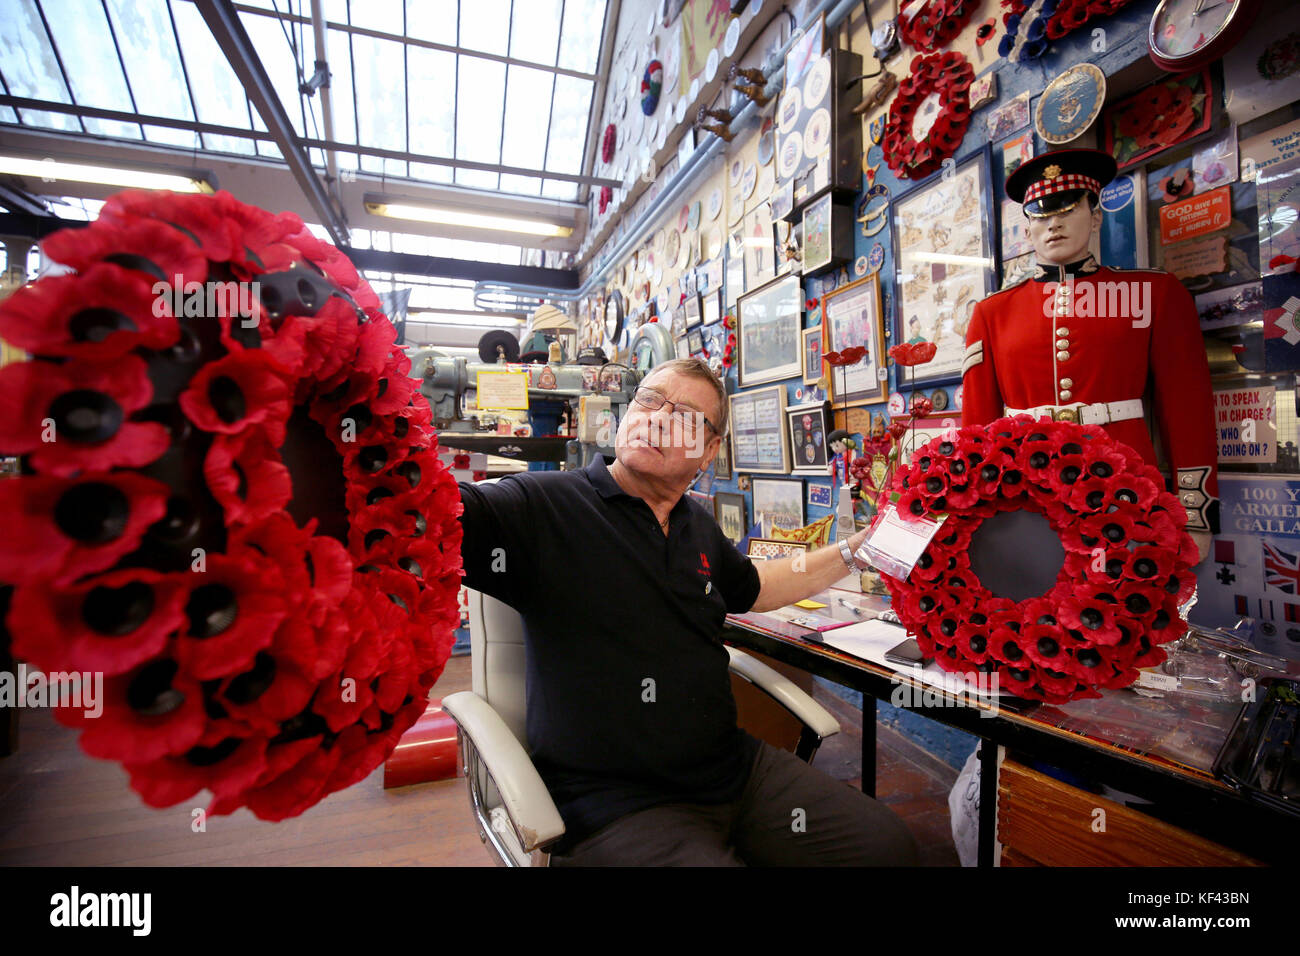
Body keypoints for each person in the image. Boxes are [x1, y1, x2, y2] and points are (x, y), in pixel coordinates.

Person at [458, 357, 918, 866]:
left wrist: (859, 550)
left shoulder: (694, 523)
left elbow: (753, 586)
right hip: (616, 803)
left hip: (732, 773)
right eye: (649, 400)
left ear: (709, 450)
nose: (656, 417)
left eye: (683, 416)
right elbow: (439, 516)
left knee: (888, 848)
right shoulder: (542, 505)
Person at [961, 148, 1217, 561]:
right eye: (1040, 216)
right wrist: (975, 512)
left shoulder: (1154, 294)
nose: (1054, 224)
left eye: (1067, 209)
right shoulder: (992, 312)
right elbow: (978, 428)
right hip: (1026, 497)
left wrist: (1195, 512)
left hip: (1127, 492)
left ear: (1096, 216)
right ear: (1027, 230)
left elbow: (1188, 410)